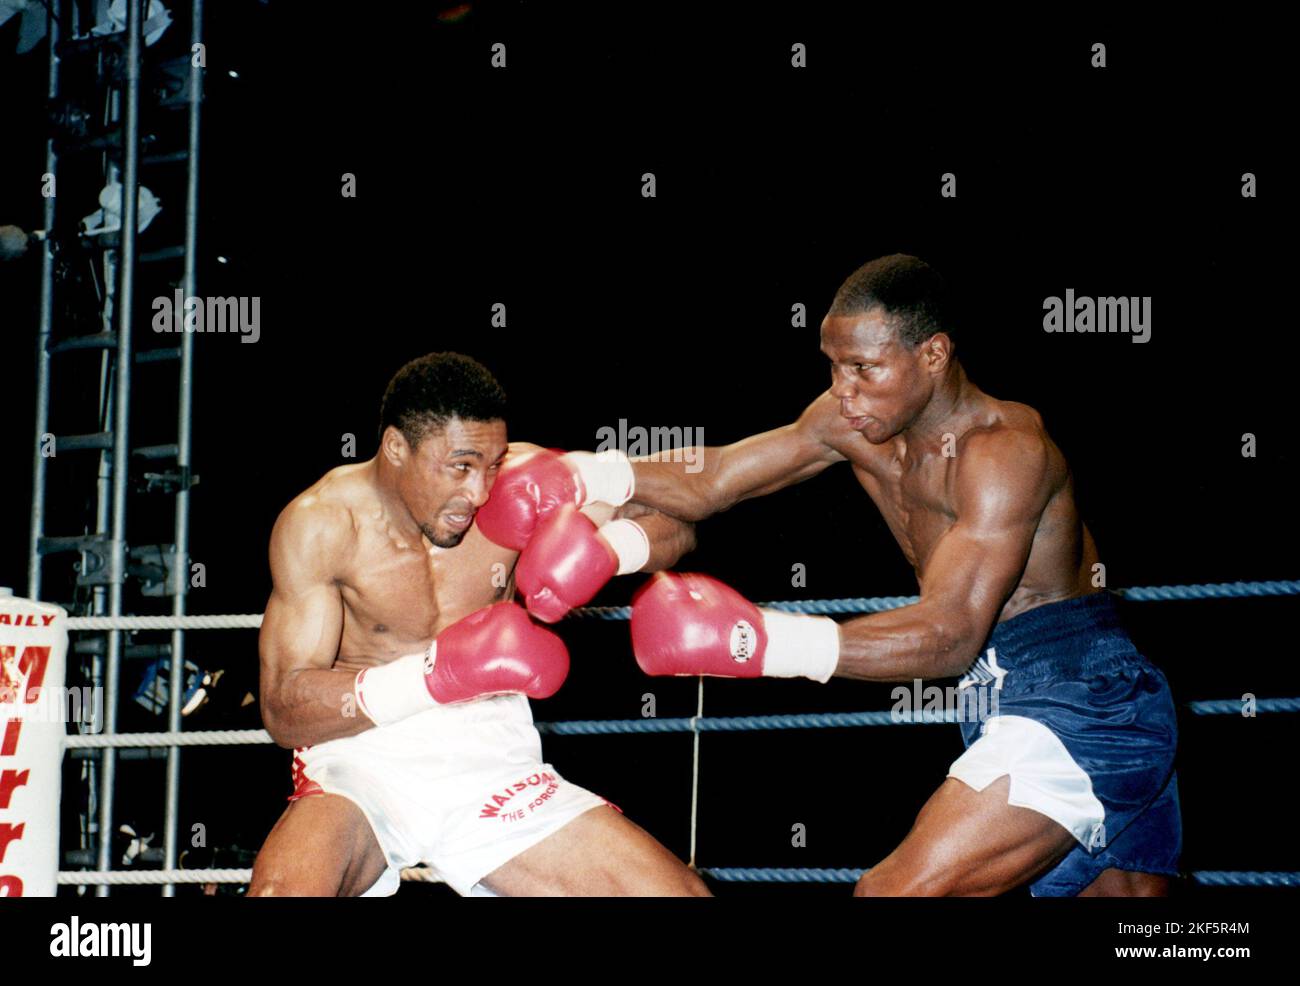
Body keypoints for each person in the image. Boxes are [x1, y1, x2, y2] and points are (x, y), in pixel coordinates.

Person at [495, 255, 1181, 897]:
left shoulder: (1005, 455)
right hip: (998, 697)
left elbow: (950, 635)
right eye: (832, 367)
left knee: (892, 892)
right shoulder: (851, 423)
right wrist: (585, 473)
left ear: (933, 355)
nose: (842, 393)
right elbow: (718, 479)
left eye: (863, 369)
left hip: (1081, 698)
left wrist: (759, 643)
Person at [249, 352, 708, 897]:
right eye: (461, 466)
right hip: (362, 757)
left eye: (491, 465)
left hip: (489, 753)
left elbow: (680, 523)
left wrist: (611, 549)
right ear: (396, 447)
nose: (481, 491)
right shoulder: (322, 522)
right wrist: (434, 676)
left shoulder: (523, 478)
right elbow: (283, 711)